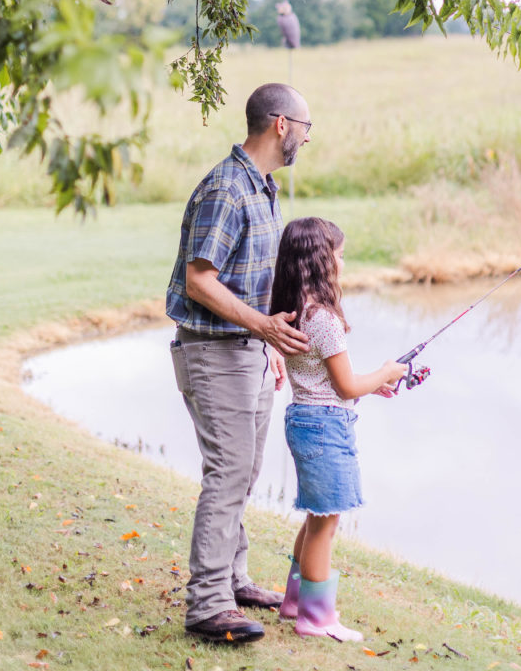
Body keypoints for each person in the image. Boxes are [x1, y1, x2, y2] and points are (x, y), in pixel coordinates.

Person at [166, 83, 312, 644]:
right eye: (304, 125)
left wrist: (269, 344)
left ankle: (234, 579)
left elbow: (249, 280)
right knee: (228, 474)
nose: (305, 136)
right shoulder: (227, 189)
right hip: (214, 352)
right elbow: (198, 281)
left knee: (244, 472)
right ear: (280, 124)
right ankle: (207, 606)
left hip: (249, 351)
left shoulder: (264, 188)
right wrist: (262, 327)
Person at [269, 217, 407, 642]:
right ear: (320, 260)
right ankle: (315, 617)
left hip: (309, 418)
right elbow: (346, 384)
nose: (342, 263)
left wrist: (372, 384)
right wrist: (385, 371)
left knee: (317, 518)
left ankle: (296, 602)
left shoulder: (297, 309)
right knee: (326, 523)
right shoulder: (324, 318)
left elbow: (332, 384)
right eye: (340, 255)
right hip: (324, 426)